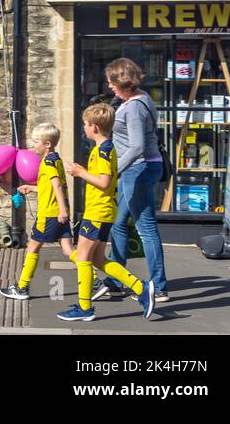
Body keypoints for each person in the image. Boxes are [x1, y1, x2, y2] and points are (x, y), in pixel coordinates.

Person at [58, 101, 155, 321]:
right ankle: (141, 288)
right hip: (101, 211)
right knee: (99, 259)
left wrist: (80, 172)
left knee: (82, 257)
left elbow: (104, 182)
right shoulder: (105, 148)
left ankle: (85, 308)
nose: (83, 128)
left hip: (98, 213)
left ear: (94, 127)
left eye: (84, 124)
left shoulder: (102, 151)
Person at [95, 58, 170, 303]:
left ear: (125, 81)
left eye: (113, 81)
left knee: (146, 228)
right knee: (118, 222)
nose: (110, 86)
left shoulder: (135, 107)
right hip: (141, 169)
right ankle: (117, 280)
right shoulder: (139, 98)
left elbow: (137, 146)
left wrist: (114, 170)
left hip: (138, 170)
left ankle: (158, 287)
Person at [0, 123, 74, 300]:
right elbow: (49, 187)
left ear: (47, 144)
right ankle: (92, 279)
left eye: (36, 142)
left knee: (32, 247)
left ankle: (22, 287)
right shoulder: (56, 159)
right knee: (68, 249)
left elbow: (57, 186)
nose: (34, 146)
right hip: (59, 213)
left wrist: (61, 210)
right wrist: (31, 188)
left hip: (49, 214)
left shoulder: (47, 163)